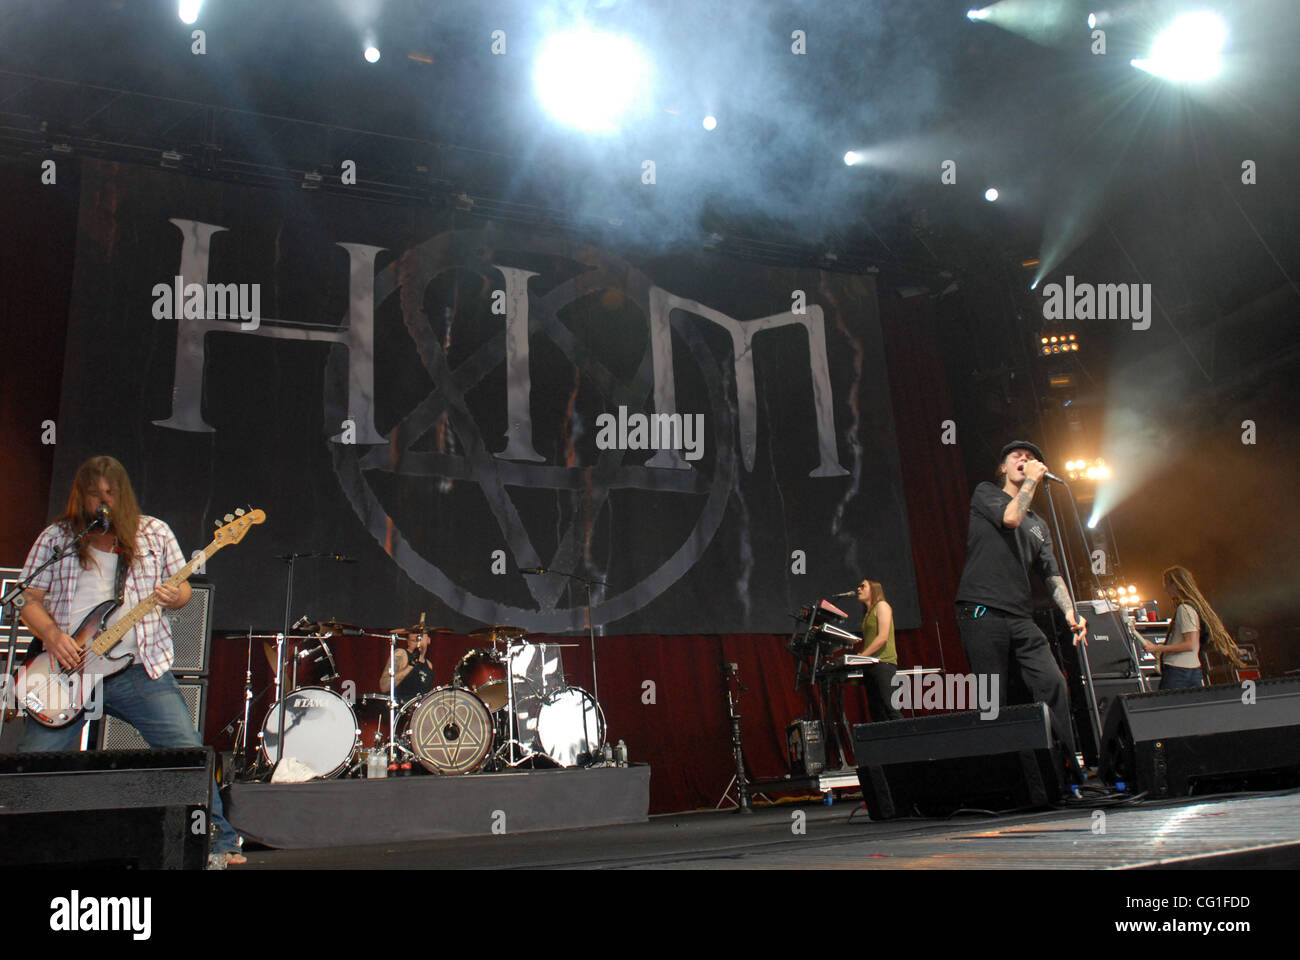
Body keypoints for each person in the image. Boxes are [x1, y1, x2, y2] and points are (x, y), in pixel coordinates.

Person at [15, 456, 245, 867]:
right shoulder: (57, 538)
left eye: (111, 492)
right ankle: (20, 845)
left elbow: (184, 589)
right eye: (94, 493)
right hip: (66, 672)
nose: (103, 500)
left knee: (185, 752)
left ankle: (218, 841)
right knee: (34, 766)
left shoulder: (153, 533)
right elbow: (25, 599)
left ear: (123, 493)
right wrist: (52, 637)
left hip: (138, 670)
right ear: (80, 496)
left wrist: (178, 596)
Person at [954, 441, 1088, 783]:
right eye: (1018, 457)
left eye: (1032, 459)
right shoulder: (987, 494)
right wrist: (1031, 481)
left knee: (1053, 683)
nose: (1025, 461)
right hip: (981, 609)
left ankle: (1065, 770)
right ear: (1003, 467)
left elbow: (1052, 574)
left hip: (1020, 617)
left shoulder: (1040, 524)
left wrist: (1071, 614)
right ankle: (1000, 778)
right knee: (991, 698)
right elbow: (1010, 518)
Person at [1140, 565, 1244, 690]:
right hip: (1192, 670)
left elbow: (1190, 644)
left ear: (1175, 585)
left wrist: (1157, 648)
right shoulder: (1192, 608)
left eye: (1167, 584)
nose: (1165, 589)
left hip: (1178, 671)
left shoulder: (1184, 609)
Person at [852, 579, 903, 722]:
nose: (858, 589)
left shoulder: (882, 606)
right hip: (870, 666)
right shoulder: (867, 614)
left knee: (891, 709)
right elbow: (870, 641)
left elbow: (882, 637)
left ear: (874, 589)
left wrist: (861, 657)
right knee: (877, 712)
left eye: (863, 586)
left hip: (883, 664)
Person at [378, 628, 436, 704]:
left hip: (417, 712)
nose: (418, 635)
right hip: (399, 709)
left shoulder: (429, 665)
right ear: (408, 640)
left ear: (428, 640)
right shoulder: (401, 654)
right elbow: (384, 686)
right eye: (414, 632)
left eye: (421, 633)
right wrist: (410, 666)